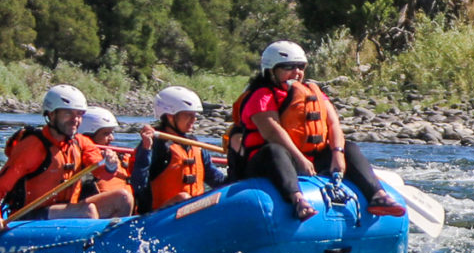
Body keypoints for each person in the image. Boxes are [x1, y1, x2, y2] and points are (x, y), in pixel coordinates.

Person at [224, 42, 403, 222]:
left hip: (309, 159)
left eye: (301, 67)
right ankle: (298, 199)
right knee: (274, 151)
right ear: (271, 70)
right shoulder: (261, 95)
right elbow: (272, 132)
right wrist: (300, 159)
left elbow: (333, 124)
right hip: (268, 163)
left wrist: (337, 154)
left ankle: (377, 194)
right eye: (288, 67)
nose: (296, 72)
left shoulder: (311, 91)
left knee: (349, 147)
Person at [0, 84, 131, 220]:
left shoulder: (81, 142)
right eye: (68, 114)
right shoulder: (32, 146)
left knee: (124, 198)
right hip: (29, 216)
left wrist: (110, 165)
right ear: (51, 115)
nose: (75, 120)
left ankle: (113, 244)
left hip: (65, 210)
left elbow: (101, 172)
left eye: (79, 115)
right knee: (86, 211)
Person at [133, 85, 225, 215]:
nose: (194, 119)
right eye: (188, 115)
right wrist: (146, 150)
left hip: (192, 212)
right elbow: (138, 183)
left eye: (195, 115)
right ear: (170, 116)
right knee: (184, 198)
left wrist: (240, 179)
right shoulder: (156, 145)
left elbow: (215, 179)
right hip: (159, 217)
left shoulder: (194, 144)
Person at [81, 107, 136, 210]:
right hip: (98, 215)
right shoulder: (79, 160)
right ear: (88, 136)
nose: (112, 138)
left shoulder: (122, 157)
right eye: (106, 133)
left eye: (112, 132)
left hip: (129, 214)